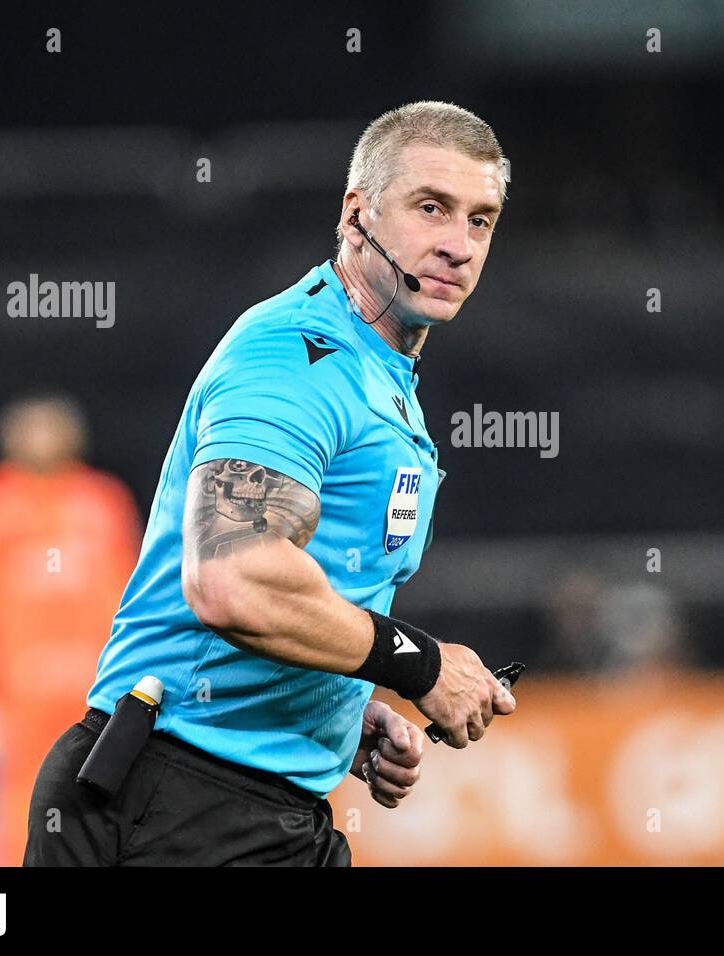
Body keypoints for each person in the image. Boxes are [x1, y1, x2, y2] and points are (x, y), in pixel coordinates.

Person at [25, 101, 516, 866]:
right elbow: (230, 577)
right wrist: (417, 665)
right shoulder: (297, 357)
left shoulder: (373, 368)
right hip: (175, 804)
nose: (457, 245)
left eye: (481, 220)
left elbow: (294, 591)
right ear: (358, 213)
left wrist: (338, 711)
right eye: (431, 208)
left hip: (237, 805)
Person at [0, 393, 141, 866]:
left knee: (107, 817)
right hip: (16, 705)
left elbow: (128, 596)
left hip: (94, 696)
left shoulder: (103, 503)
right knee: (21, 820)